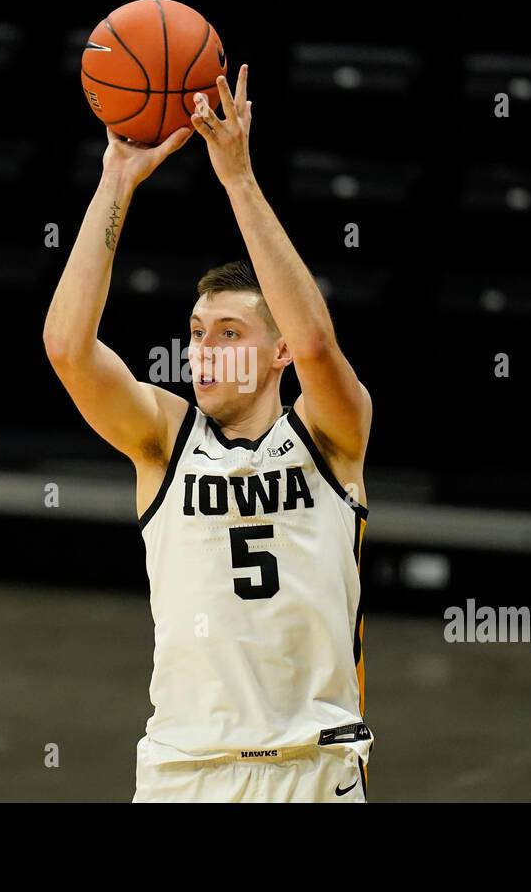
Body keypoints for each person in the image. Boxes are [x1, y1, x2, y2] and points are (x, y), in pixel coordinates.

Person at [44, 65, 373, 801]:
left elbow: (318, 345)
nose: (205, 349)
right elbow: (68, 347)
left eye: (230, 331)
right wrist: (118, 181)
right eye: (196, 332)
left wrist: (238, 180)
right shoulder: (163, 438)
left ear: (276, 346)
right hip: (183, 772)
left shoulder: (331, 434)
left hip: (312, 767)